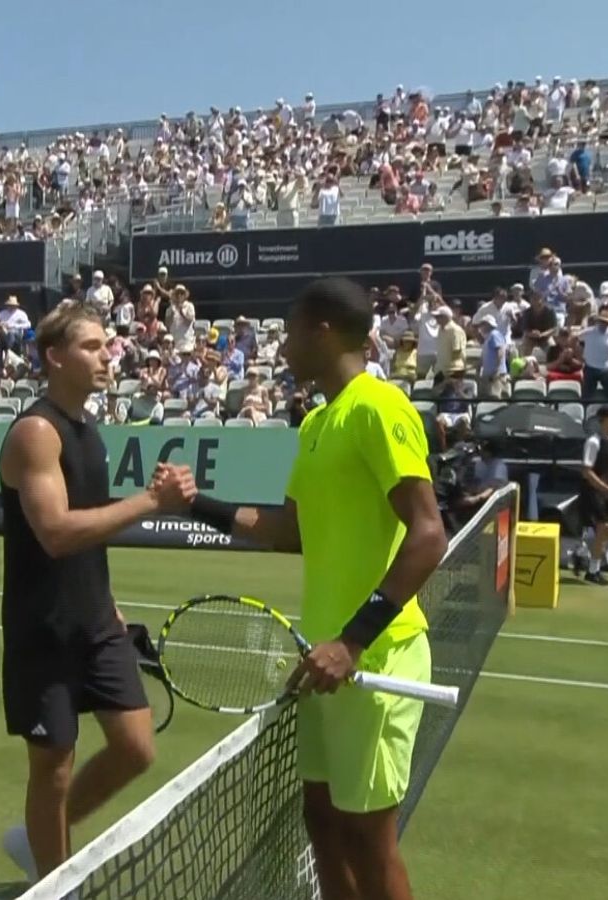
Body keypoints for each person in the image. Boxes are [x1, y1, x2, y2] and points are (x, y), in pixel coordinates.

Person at [163, 277, 447, 900]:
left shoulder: (378, 407)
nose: (283, 345)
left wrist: (350, 642)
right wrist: (194, 504)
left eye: (290, 332)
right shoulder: (319, 419)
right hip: (325, 663)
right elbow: (288, 531)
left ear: (321, 331)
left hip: (376, 659)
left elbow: (429, 536)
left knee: (370, 842)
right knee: (322, 824)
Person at [0, 303, 189, 884]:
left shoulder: (88, 431)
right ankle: (53, 881)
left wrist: (109, 605)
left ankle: (35, 843)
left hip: (96, 621)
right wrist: (151, 503)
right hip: (43, 629)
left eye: (107, 346)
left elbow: (87, 539)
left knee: (136, 748)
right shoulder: (36, 431)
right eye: (93, 347)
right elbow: (55, 532)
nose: (109, 356)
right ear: (55, 357)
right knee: (53, 768)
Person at [576, 406, 608, 587]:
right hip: (592, 491)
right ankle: (592, 571)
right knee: (604, 529)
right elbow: (587, 472)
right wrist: (607, 489)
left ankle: (582, 556)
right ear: (604, 420)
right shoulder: (593, 442)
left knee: (607, 531)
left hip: (605, 492)